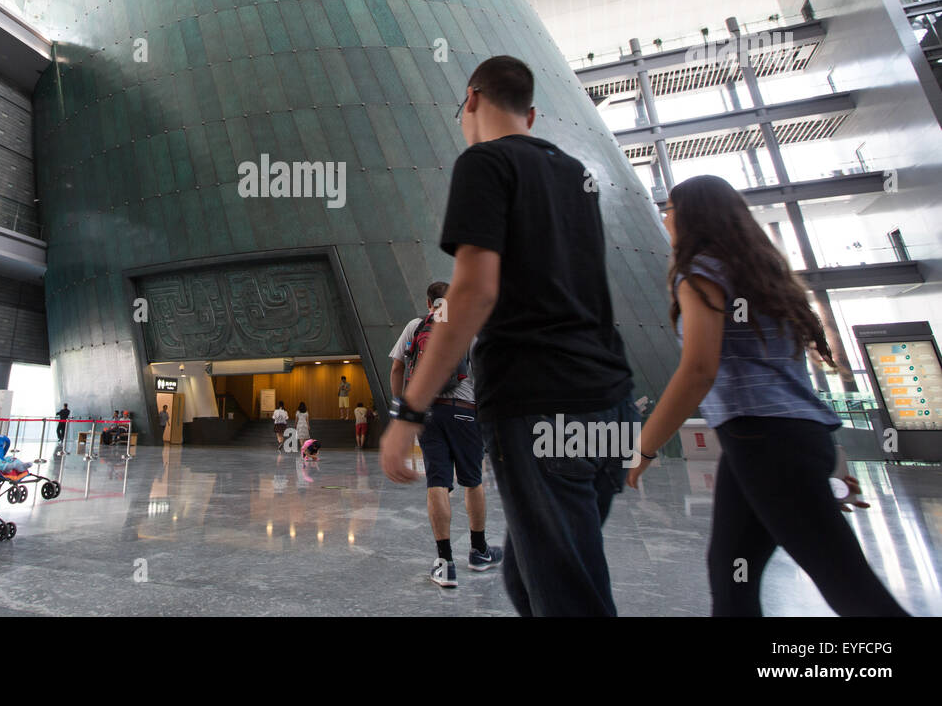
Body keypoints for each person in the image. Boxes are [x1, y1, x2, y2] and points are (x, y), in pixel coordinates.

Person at [382, 56, 639, 616]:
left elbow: (471, 294)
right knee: (529, 577)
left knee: (567, 596)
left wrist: (409, 413)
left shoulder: (485, 163)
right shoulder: (575, 172)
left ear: (471, 99)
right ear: (533, 113)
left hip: (542, 406)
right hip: (611, 407)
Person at [626, 175, 909, 616]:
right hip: (778, 443)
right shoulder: (762, 276)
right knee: (730, 570)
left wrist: (644, 448)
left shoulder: (699, 272)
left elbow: (699, 369)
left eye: (670, 209)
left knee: (847, 584)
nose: (665, 217)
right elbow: (791, 385)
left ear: (691, 215)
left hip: (764, 443)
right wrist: (826, 464)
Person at [389, 280, 501, 588]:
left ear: (429, 304)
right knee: (472, 480)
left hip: (426, 412)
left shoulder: (416, 326)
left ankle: (445, 561)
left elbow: (397, 369)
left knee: (437, 481)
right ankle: (479, 552)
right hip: (464, 409)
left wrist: (403, 412)